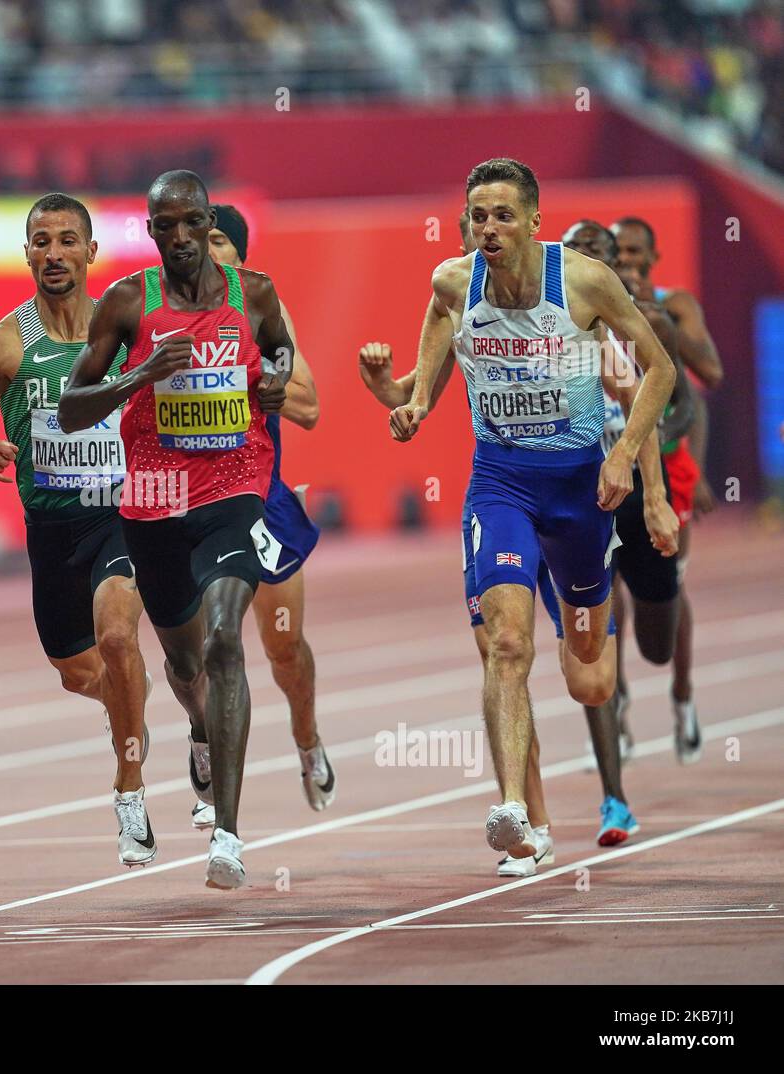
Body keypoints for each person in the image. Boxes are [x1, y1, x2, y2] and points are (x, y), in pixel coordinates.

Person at [391, 160, 675, 861]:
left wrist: (624, 454)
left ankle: (583, 631)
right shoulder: (455, 280)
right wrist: (419, 396)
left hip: (581, 488)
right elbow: (438, 317)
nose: (490, 228)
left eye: (504, 215)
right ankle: (515, 811)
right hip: (502, 484)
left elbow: (660, 370)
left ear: (533, 221)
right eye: (479, 215)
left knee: (589, 674)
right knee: (507, 643)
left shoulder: (583, 280)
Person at [59, 170, 292, 889]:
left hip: (236, 485)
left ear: (210, 219)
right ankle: (198, 722)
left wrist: (276, 378)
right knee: (187, 665)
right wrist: (138, 376)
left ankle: (226, 831)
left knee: (227, 638)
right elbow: (72, 408)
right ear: (154, 231)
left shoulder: (254, 293)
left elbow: (279, 347)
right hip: (155, 501)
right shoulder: (130, 303)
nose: (183, 238)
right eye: (168, 226)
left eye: (194, 222)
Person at [0, 193, 159, 868]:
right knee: (79, 671)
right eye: (40, 241)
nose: (53, 253)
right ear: (26, 253)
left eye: (66, 240)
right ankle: (132, 716)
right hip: (52, 532)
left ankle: (130, 789)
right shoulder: (1, 345)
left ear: (91, 253)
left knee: (119, 635)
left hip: (119, 515)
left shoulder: (126, 331)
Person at [199, 203, 334, 827]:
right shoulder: (151, 313)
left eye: (217, 239)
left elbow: (307, 408)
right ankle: (207, 744)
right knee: (204, 644)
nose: (201, 246)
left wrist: (249, 377)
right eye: (192, 234)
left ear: (242, 259)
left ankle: (306, 738)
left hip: (263, 503)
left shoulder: (261, 313)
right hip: (188, 499)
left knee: (283, 647)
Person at [612, 216, 718, 763]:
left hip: (670, 459)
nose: (625, 262)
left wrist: (666, 332)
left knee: (669, 585)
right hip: (607, 467)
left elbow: (707, 381)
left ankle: (681, 695)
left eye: (633, 253)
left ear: (652, 258)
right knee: (605, 590)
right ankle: (616, 704)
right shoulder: (593, 305)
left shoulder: (672, 305)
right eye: (616, 252)